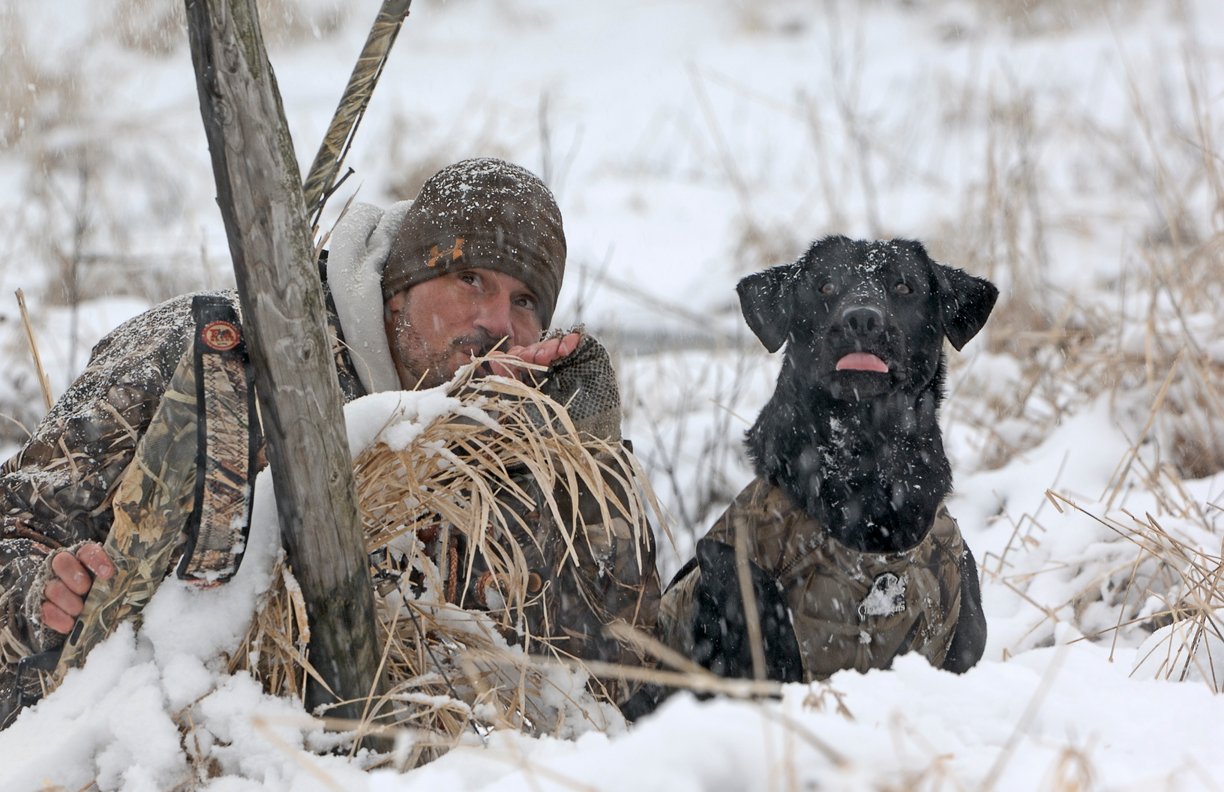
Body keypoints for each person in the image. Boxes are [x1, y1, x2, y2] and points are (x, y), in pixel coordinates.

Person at [0, 157, 661, 728]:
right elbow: (14, 526)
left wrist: (581, 463)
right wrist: (41, 594)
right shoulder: (205, 355)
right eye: (471, 281)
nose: (494, 321)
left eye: (524, 302)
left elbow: (609, 690)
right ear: (400, 283)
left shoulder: (510, 447)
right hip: (138, 748)